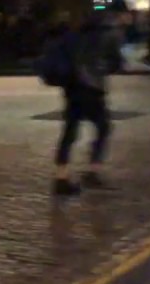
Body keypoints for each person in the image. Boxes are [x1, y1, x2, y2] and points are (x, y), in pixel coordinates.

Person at [53, 12, 124, 196]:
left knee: (70, 131)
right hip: (92, 89)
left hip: (72, 89)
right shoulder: (106, 35)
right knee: (103, 127)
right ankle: (93, 170)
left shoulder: (72, 35)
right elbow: (116, 63)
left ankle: (61, 177)